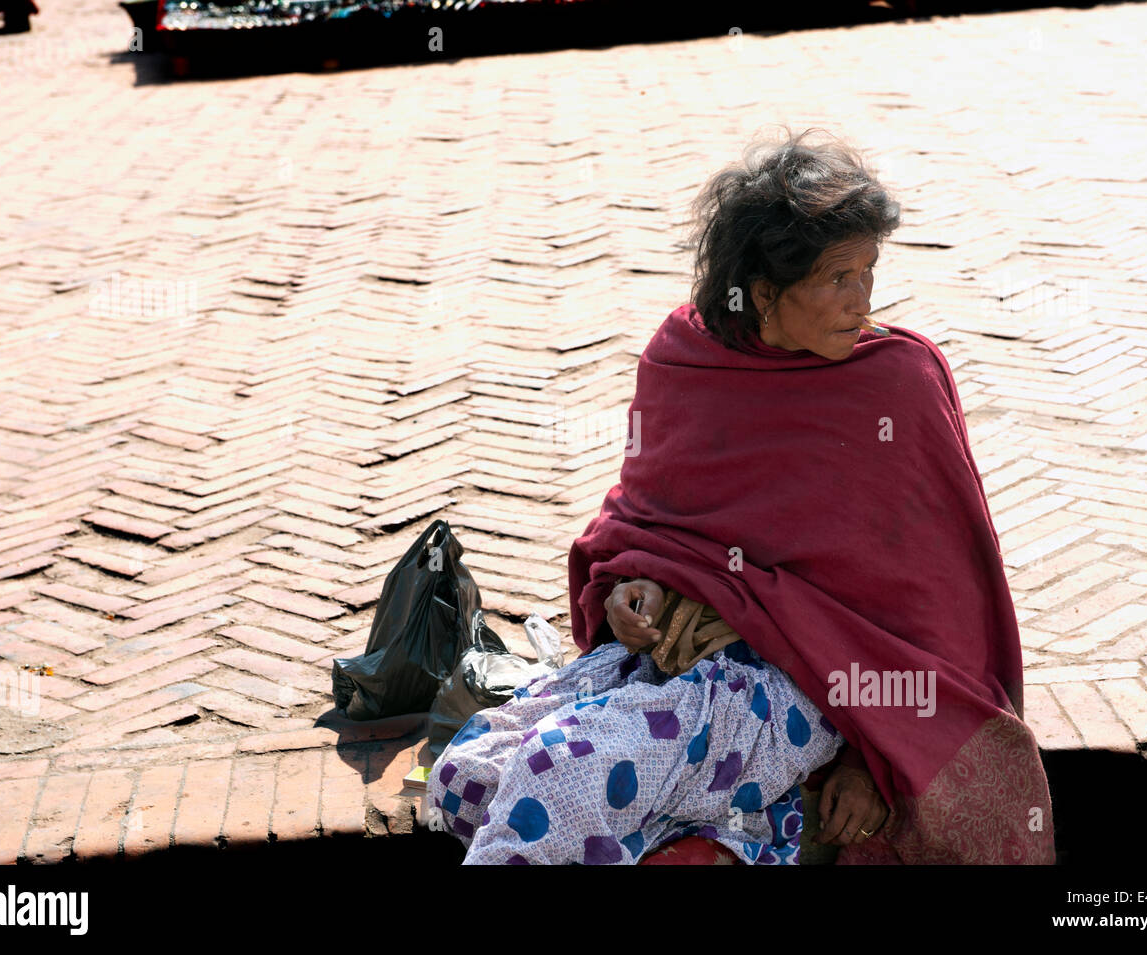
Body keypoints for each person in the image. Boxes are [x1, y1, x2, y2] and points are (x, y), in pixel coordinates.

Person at [427, 127, 1056, 865]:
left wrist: (868, 762)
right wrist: (631, 588)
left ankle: (726, 821)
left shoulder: (897, 382)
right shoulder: (685, 357)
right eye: (838, 278)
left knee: (554, 773)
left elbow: (942, 608)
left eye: (868, 271)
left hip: (805, 686)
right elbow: (640, 519)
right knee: (465, 777)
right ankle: (725, 827)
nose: (863, 300)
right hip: (667, 661)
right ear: (762, 293)